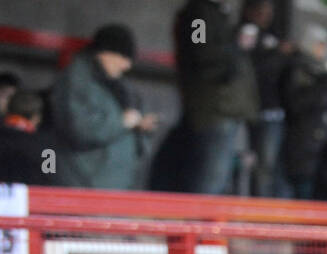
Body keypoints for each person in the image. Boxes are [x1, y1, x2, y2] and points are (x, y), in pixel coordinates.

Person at [48, 24, 157, 190]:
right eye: (123, 57)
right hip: (84, 185)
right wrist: (122, 122)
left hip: (111, 187)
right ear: (105, 52)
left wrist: (140, 126)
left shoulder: (115, 83)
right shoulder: (75, 81)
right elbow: (78, 129)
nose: (126, 65)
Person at [173, 0, 259, 194]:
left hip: (222, 108)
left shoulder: (216, 14)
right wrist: (235, 52)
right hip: (214, 109)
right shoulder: (199, 15)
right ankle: (196, 223)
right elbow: (201, 53)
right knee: (209, 182)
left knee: (216, 179)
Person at [280, 23, 327, 199]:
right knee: (304, 198)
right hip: (303, 150)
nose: (322, 49)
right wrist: (324, 84)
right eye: (318, 44)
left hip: (321, 152)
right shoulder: (297, 69)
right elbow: (297, 104)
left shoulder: (322, 73)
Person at [241, 0, 292, 197]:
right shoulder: (246, 34)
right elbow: (251, 67)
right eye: (261, 11)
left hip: (277, 111)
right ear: (250, 11)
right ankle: (258, 209)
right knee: (261, 165)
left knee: (273, 166)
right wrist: (278, 54)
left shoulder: (275, 36)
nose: (266, 15)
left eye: (268, 11)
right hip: (255, 110)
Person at [0, 91, 49, 185]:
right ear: (37, 117)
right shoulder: (46, 147)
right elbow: (50, 180)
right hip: (31, 197)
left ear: (7, 111)